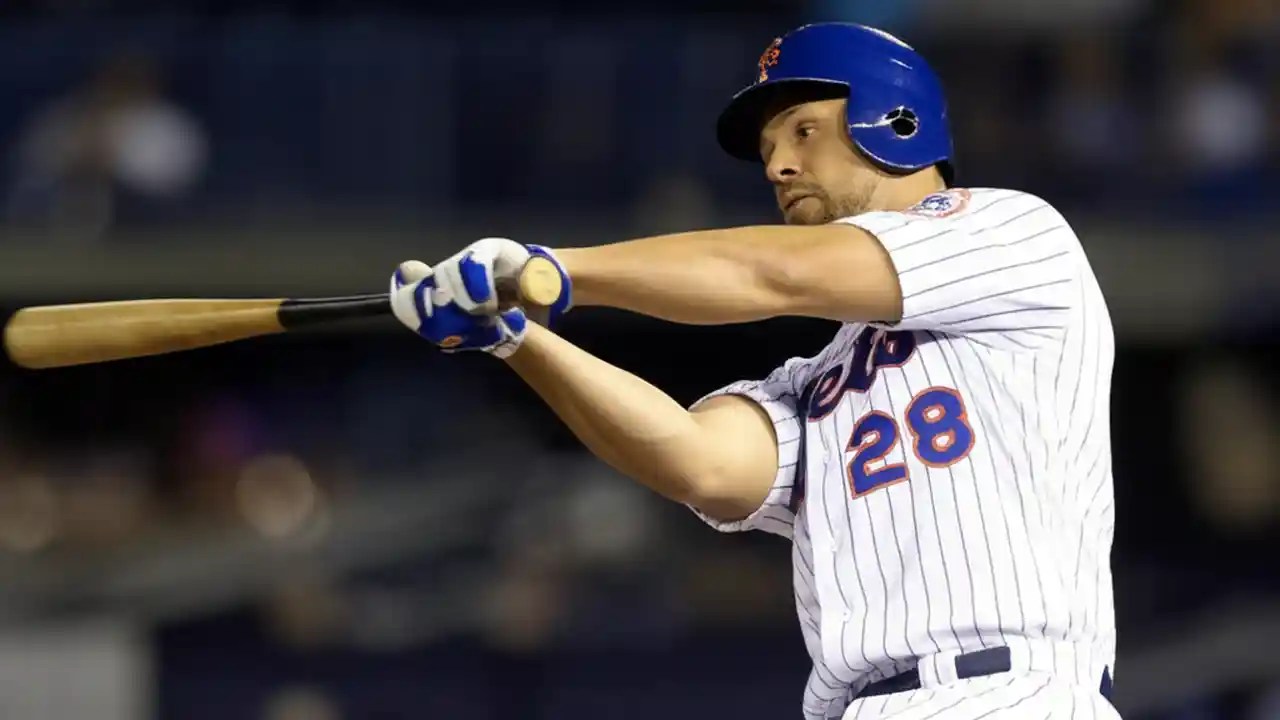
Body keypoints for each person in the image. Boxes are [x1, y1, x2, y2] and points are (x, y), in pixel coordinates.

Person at [388, 22, 1119, 720]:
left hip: (1010, 690)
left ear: (895, 121)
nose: (778, 165)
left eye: (803, 130)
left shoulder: (1015, 235)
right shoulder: (819, 378)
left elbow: (770, 274)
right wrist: (513, 339)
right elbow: (698, 460)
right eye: (770, 147)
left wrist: (551, 268)